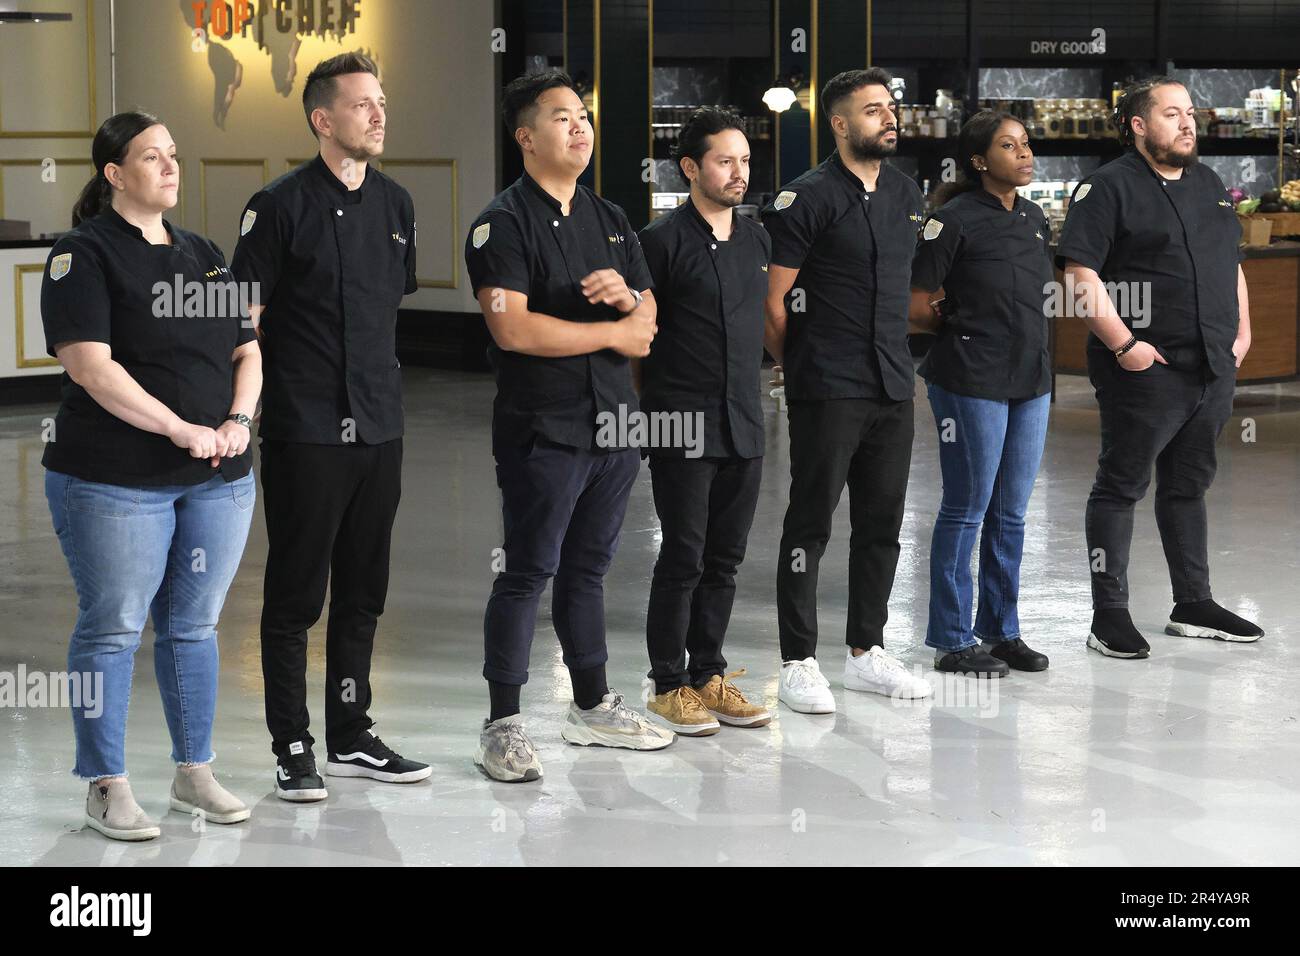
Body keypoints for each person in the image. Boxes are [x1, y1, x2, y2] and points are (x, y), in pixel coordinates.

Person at [42, 110, 260, 840]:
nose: (170, 166)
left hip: (219, 475)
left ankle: (193, 772)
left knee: (194, 626)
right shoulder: (83, 255)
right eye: (151, 157)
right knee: (114, 628)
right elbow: (90, 366)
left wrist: (239, 422)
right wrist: (179, 428)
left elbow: (246, 349)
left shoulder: (203, 252)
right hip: (115, 479)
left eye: (173, 154)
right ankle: (105, 785)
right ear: (113, 174)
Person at [465, 69, 673, 783]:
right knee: (527, 571)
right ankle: (502, 724)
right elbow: (515, 330)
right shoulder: (502, 222)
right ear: (526, 137)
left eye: (582, 115)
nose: (579, 127)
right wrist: (612, 331)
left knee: (589, 570)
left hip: (614, 426)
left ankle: (590, 705)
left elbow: (647, 328)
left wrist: (625, 313)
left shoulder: (611, 219)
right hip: (543, 428)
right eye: (560, 117)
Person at [231, 51, 429, 800]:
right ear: (323, 119)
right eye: (361, 104)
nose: (378, 115)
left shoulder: (398, 204)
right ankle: (292, 745)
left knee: (364, 592)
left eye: (381, 102)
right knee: (294, 599)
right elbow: (241, 317)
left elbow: (385, 310)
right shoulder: (277, 206)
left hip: (381, 425)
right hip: (306, 429)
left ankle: (350, 733)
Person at [1056, 76, 1264, 659]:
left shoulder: (1209, 185)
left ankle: (1193, 603)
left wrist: (1243, 333)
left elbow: (1232, 262)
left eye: (1190, 113)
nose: (1187, 122)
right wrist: (1126, 347)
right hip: (1145, 369)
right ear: (1139, 126)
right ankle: (1108, 615)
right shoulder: (1105, 189)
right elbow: (1078, 275)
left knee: (1188, 487)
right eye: (1172, 114)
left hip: (1212, 366)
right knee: (1120, 487)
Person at [762, 68, 933, 713]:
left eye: (891, 108)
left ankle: (867, 650)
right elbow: (772, 303)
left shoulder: (906, 194)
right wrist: (799, 364)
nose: (888, 119)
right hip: (828, 386)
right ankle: (798, 660)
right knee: (809, 525)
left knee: (883, 525)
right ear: (838, 124)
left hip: (892, 384)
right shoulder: (803, 200)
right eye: (871, 111)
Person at [637, 108, 773, 736]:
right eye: (725, 160)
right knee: (683, 557)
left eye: (744, 160)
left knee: (725, 558)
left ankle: (708, 673)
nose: (739, 171)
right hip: (681, 425)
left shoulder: (756, 239)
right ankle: (667, 682)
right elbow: (640, 341)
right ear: (691, 167)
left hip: (744, 423)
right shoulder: (659, 243)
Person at [908, 110, 1053, 678]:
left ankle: (1002, 630)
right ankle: (951, 639)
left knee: (1011, 514)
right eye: (1008, 146)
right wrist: (951, 321)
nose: (1024, 153)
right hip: (971, 377)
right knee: (967, 510)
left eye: (1025, 144)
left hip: (1031, 379)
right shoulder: (952, 219)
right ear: (978, 161)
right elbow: (915, 296)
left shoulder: (1037, 218)